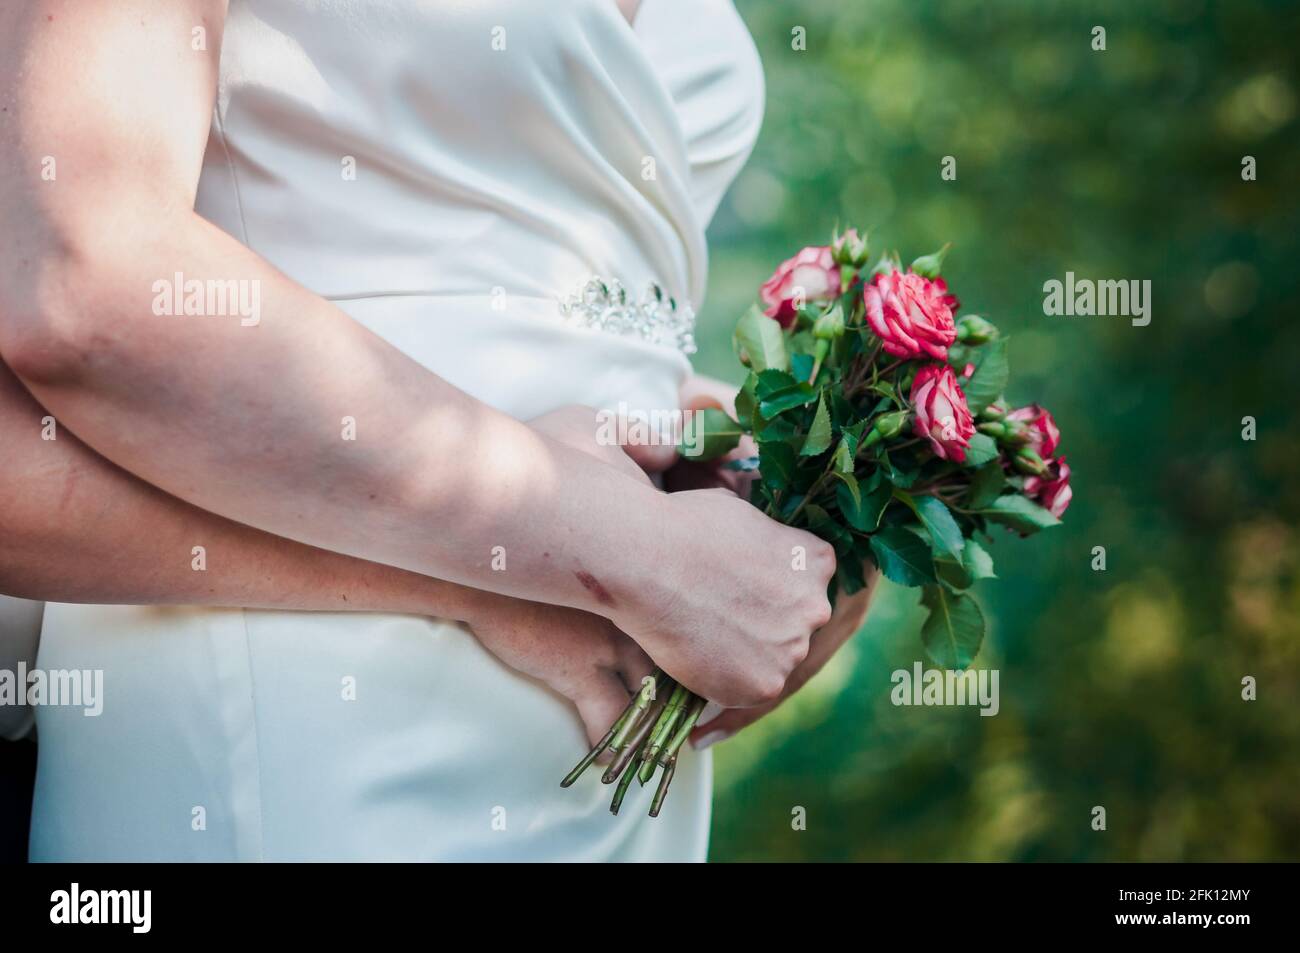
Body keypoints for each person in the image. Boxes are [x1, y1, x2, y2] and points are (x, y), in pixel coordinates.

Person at [0, 0, 869, 861]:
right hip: (315, 711)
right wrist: (622, 553)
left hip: (614, 741)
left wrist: (777, 497)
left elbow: (542, 298)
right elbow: (90, 279)